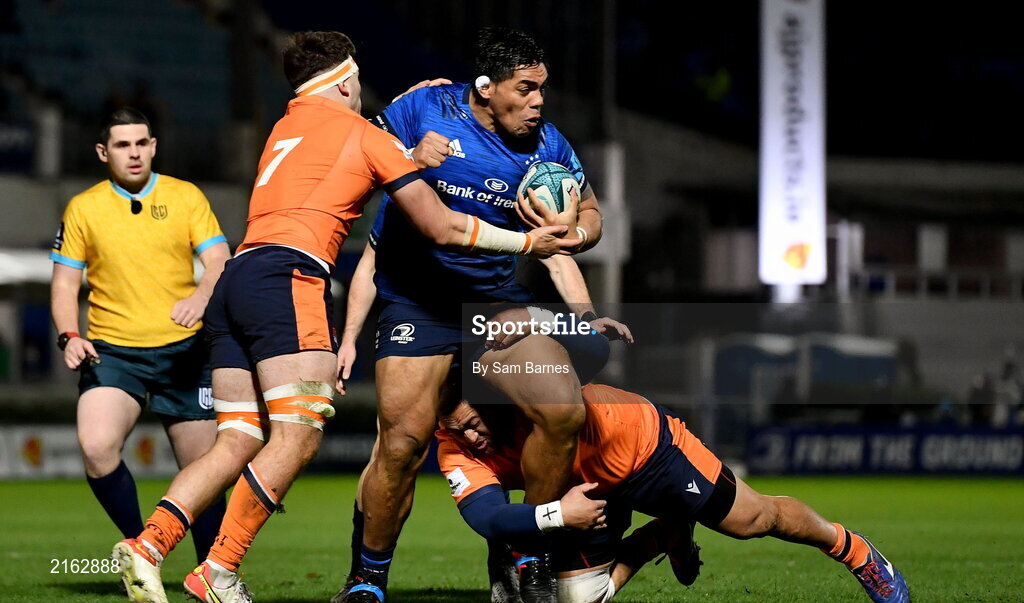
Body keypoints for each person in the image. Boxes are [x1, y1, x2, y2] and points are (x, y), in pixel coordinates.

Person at [110, 31, 576, 603]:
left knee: (235, 441)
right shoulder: (365, 135)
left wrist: (408, 145)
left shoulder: (286, 126)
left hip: (237, 277)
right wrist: (528, 244)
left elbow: (365, 144)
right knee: (299, 437)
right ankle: (218, 569)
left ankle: (149, 544)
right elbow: (443, 227)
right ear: (348, 82)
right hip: (288, 279)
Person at [337, 27, 605, 603]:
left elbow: (590, 211)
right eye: (526, 88)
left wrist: (574, 234)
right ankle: (368, 581)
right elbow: (353, 170)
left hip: (492, 309)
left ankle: (530, 557)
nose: (538, 102)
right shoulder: (421, 107)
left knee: (562, 413)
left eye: (543, 89)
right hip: (417, 304)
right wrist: (408, 157)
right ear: (485, 88)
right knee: (402, 446)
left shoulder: (548, 145)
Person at [437, 385, 912, 603]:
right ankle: (660, 537)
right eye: (458, 432)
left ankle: (855, 552)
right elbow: (490, 520)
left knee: (754, 521)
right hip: (580, 498)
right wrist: (559, 514)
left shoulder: (529, 396)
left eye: (474, 424)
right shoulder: (453, 447)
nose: (472, 439)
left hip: (645, 447)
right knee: (581, 602)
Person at [49, 108, 230, 567]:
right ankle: (141, 551)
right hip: (113, 353)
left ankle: (214, 574)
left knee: (204, 472)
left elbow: (220, 261)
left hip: (185, 352)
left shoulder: (185, 196)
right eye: (122, 145)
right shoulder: (83, 208)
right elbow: (65, 284)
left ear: (153, 146)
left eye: (141, 143)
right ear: (102, 152)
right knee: (96, 446)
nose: (134, 153)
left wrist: (201, 297)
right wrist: (69, 334)